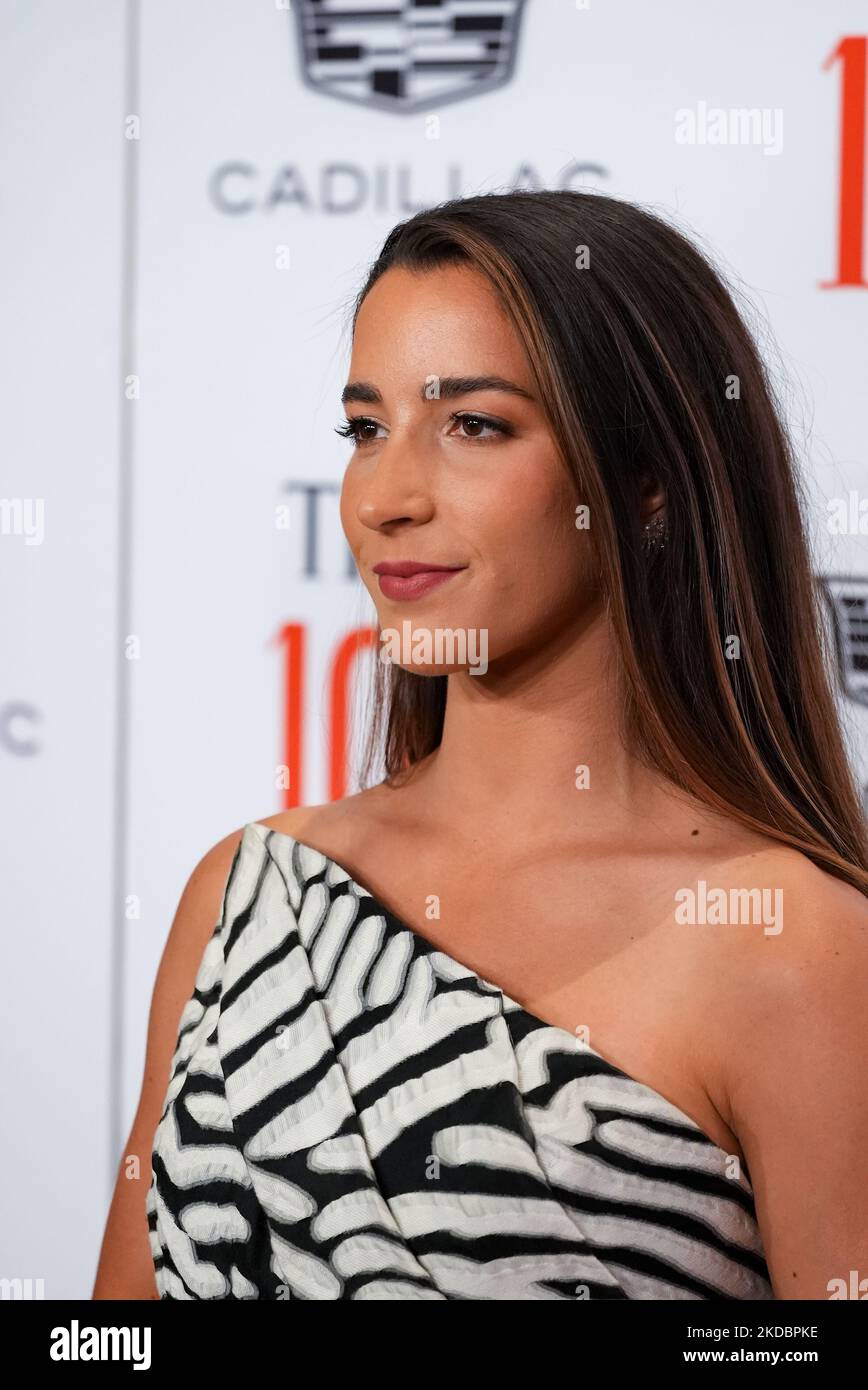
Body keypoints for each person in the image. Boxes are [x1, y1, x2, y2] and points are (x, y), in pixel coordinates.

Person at [93, 189, 868, 1301]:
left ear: (647, 480)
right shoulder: (246, 897)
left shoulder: (793, 949)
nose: (385, 498)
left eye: (474, 426)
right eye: (365, 430)